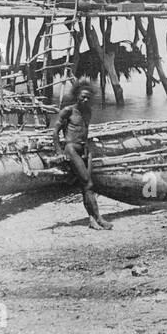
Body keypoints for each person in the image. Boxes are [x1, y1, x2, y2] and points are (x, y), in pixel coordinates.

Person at [50, 82, 112, 230]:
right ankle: (99, 218)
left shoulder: (88, 112)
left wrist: (88, 151)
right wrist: (59, 152)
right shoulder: (68, 111)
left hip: (85, 150)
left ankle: (92, 219)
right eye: (83, 97)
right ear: (77, 96)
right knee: (88, 183)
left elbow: (84, 132)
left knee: (87, 186)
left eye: (88, 98)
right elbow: (55, 132)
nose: (85, 100)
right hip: (71, 149)